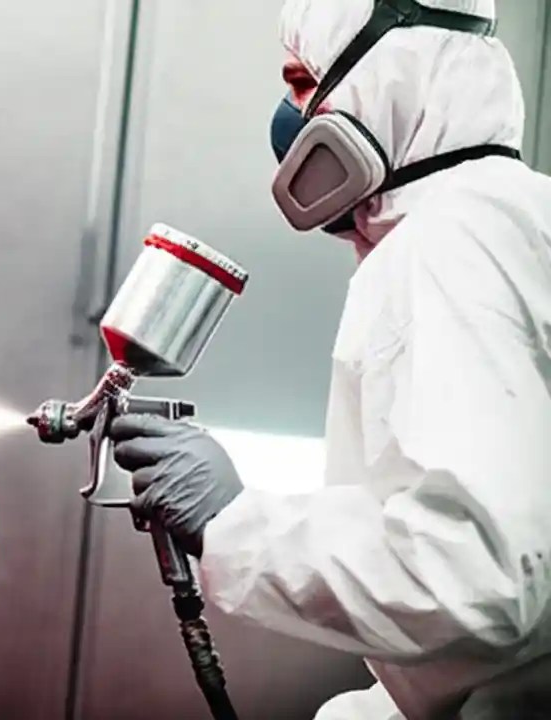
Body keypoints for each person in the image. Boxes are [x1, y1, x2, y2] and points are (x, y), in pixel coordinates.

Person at [108, 0, 551, 718]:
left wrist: (233, 522)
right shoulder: (510, 216)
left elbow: (475, 581)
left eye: (300, 82)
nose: (288, 119)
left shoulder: (448, 243)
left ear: (386, 73)